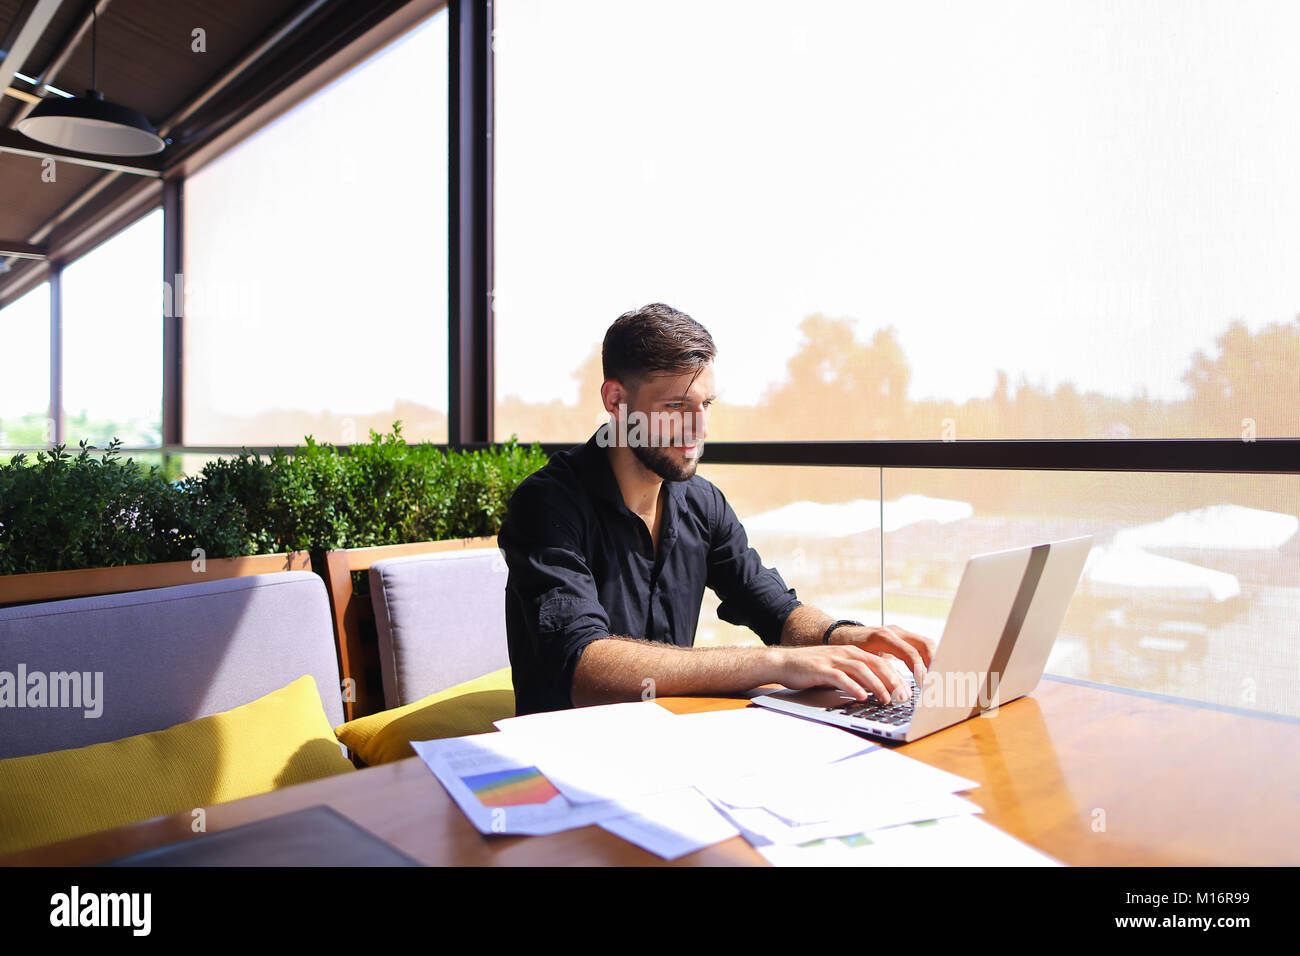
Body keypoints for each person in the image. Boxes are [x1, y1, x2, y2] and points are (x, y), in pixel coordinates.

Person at [497, 302, 935, 716]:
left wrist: (845, 636)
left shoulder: (702, 503)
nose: (700, 428)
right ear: (615, 401)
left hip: (671, 738)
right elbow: (581, 666)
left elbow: (775, 609)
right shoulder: (546, 504)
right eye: (676, 406)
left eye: (705, 404)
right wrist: (776, 663)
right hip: (563, 750)